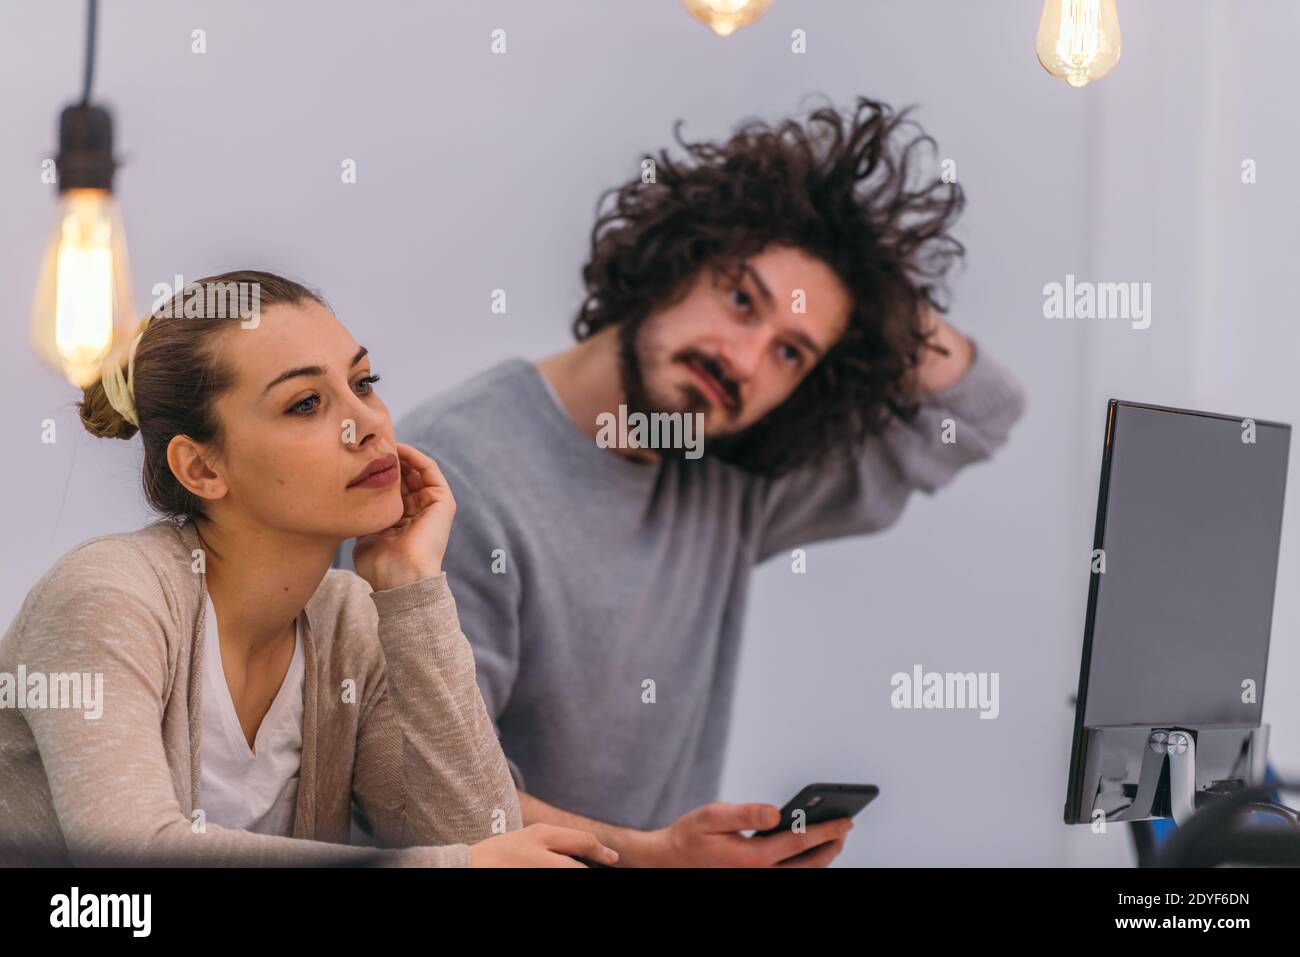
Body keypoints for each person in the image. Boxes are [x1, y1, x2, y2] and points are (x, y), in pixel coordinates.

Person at [356, 97, 1028, 867]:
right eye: (742, 299)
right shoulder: (454, 482)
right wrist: (655, 854)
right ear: (674, 256)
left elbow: (980, 409)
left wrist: (861, 268)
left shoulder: (727, 477)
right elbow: (431, 802)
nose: (742, 359)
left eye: (790, 353)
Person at [0, 270, 617, 868]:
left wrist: (413, 588)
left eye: (364, 381)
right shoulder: (109, 597)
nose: (366, 422)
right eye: (305, 404)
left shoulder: (348, 621)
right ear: (202, 469)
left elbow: (484, 837)